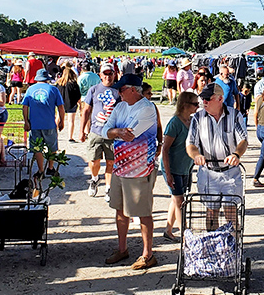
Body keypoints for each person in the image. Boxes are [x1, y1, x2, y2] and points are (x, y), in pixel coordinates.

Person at [102, 74, 161, 270]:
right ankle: (122, 248)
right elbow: (105, 130)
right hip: (120, 167)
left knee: (143, 212)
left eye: (121, 89)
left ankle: (147, 254)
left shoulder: (147, 108)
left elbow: (130, 134)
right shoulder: (120, 106)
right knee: (119, 210)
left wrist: (115, 132)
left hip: (140, 168)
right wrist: (117, 132)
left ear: (133, 90)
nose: (118, 92)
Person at [186, 82, 248, 231]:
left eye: (208, 99)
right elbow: (190, 144)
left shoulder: (234, 116)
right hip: (208, 172)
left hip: (230, 172)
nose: (204, 102)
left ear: (220, 99)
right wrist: (197, 155)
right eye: (203, 99)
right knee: (211, 211)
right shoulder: (198, 118)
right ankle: (212, 246)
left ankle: (233, 246)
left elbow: (243, 140)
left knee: (231, 211)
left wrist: (236, 154)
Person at [161, 92, 198, 241]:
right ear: (185, 105)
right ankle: (185, 233)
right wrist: (168, 173)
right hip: (173, 168)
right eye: (195, 104)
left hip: (185, 167)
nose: (197, 106)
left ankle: (168, 229)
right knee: (180, 201)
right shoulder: (175, 123)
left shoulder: (192, 121)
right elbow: (165, 149)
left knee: (176, 200)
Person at [81, 63, 120, 199]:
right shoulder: (94, 90)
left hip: (113, 133)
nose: (108, 76)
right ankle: (95, 178)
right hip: (96, 131)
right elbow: (86, 110)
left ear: (114, 75)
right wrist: (82, 130)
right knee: (94, 161)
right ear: (100, 75)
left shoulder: (119, 91)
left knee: (111, 162)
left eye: (110, 74)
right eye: (105, 74)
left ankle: (108, 188)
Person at [22, 69, 65, 174]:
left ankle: (40, 169)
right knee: (52, 147)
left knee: (37, 148)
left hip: (35, 124)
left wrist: (26, 121)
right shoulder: (53, 90)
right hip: (49, 123)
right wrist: (61, 121)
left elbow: (25, 107)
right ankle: (50, 168)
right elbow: (61, 107)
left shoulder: (30, 89)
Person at [57, 65, 82, 141]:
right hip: (71, 104)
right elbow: (78, 96)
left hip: (60, 104)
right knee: (71, 121)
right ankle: (70, 137)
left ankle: (55, 134)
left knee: (58, 118)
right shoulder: (74, 84)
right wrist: (80, 104)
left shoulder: (59, 84)